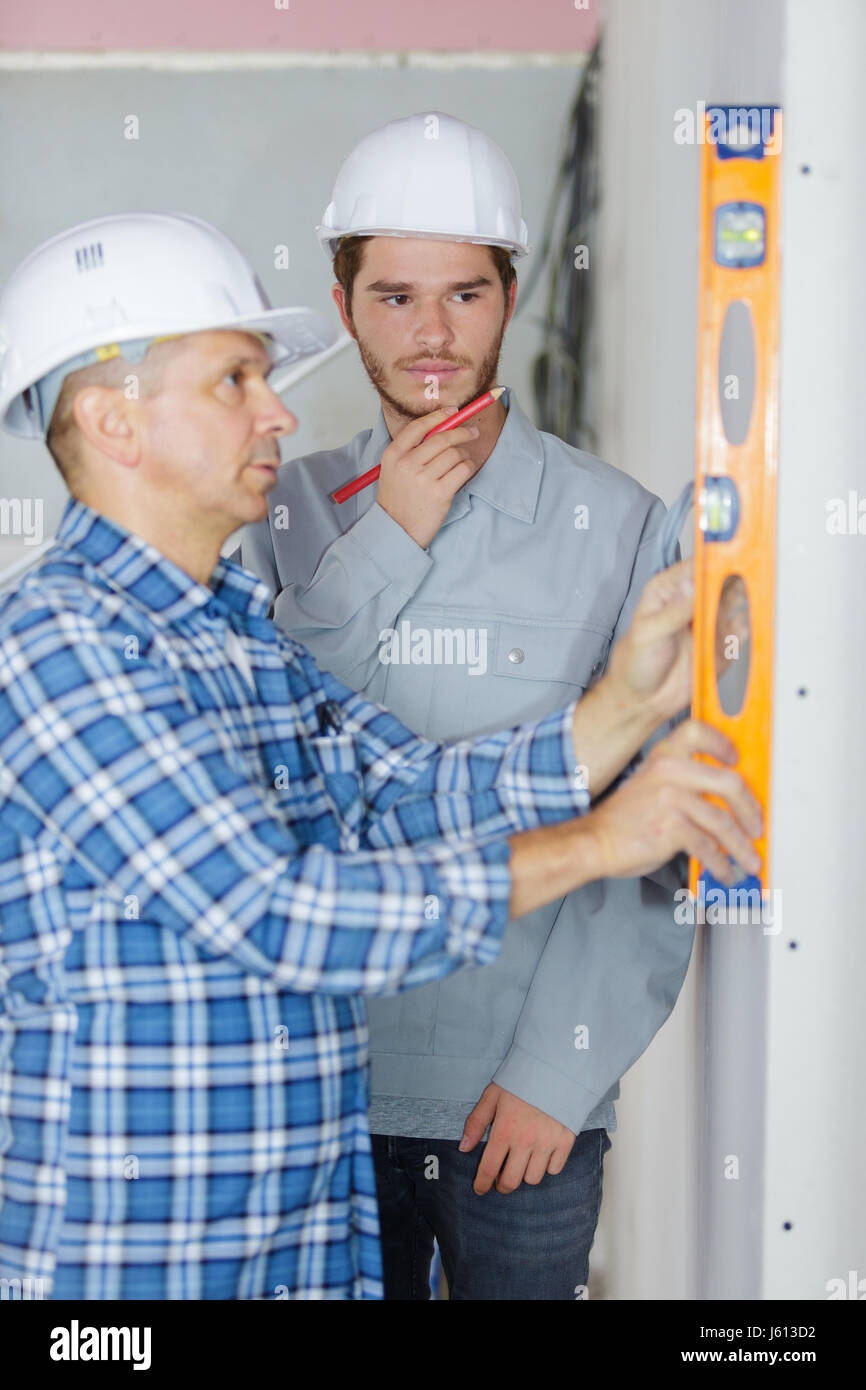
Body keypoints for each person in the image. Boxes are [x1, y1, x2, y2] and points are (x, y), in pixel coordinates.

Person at [0, 211, 759, 1302]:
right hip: (140, 1263)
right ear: (113, 422)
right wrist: (600, 839)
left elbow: (398, 788)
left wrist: (618, 710)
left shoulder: (226, 626)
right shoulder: (60, 647)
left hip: (295, 1243)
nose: (281, 411)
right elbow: (283, 914)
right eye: (234, 381)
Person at [239, 113, 747, 1300]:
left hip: (517, 1113)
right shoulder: (280, 513)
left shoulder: (619, 527)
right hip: (314, 1093)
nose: (430, 335)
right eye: (395, 295)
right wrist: (386, 539)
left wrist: (556, 1072)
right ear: (343, 301)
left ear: (510, 296)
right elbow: (264, 758)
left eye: (464, 293)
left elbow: (658, 824)